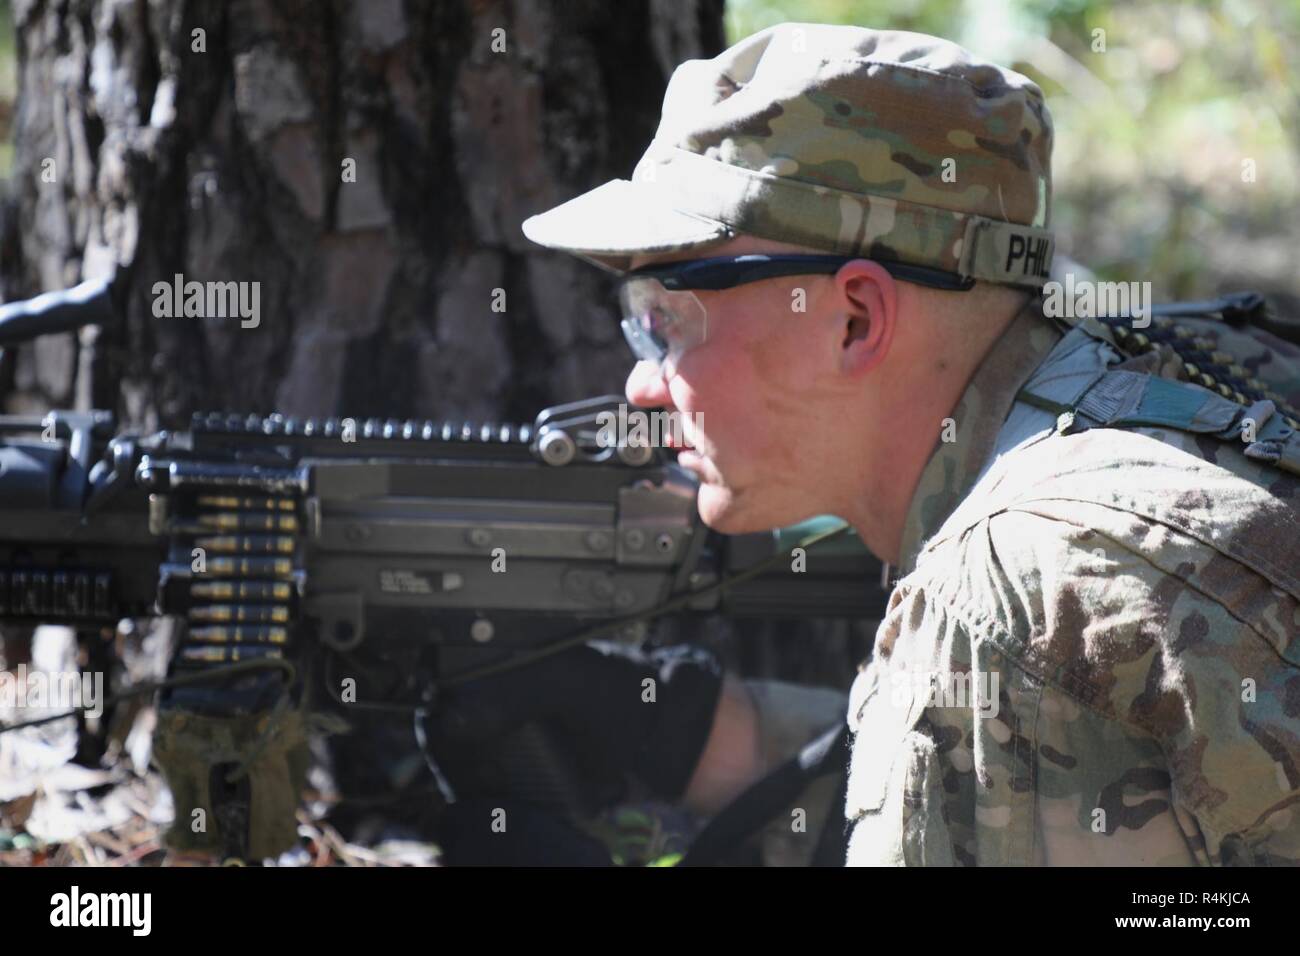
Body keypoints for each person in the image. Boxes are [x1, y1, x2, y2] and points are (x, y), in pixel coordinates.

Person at [512, 21, 1300, 865]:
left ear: (853, 319)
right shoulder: (1183, 388)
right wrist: (700, 734)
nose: (644, 382)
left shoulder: (1009, 587)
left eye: (666, 318)